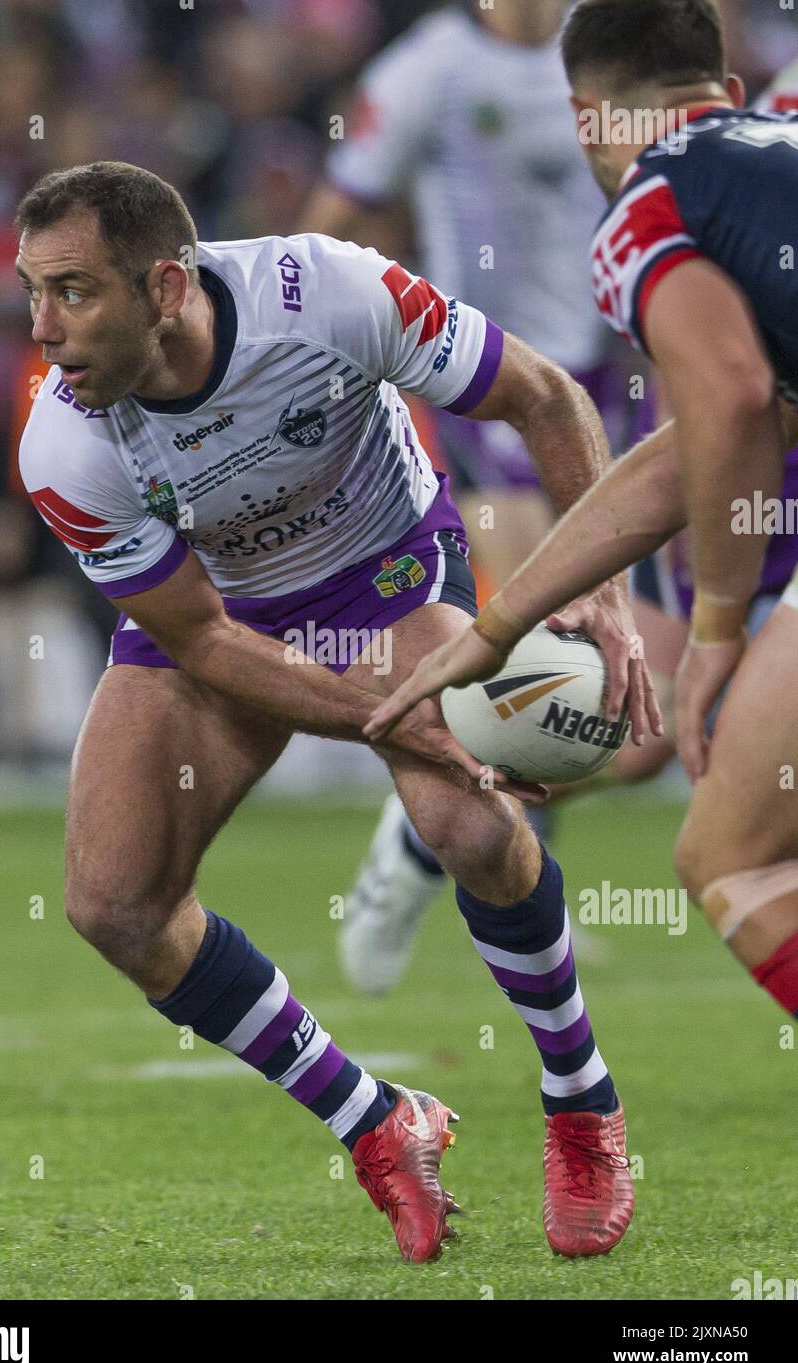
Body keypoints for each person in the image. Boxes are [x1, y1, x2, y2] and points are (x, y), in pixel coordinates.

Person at [16, 160, 645, 1263]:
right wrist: (385, 718)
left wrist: (599, 590)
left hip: (386, 573)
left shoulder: (330, 292)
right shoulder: (63, 444)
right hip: (222, 616)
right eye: (33, 292)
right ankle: (375, 1120)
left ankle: (579, 1097)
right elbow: (201, 637)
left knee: (470, 826)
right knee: (112, 903)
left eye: (72, 292)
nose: (42, 328)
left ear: (165, 288)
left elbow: (541, 396)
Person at [366, 0, 798, 1031]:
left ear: (583, 118)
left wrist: (713, 629)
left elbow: (726, 394)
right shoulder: (776, 152)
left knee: (727, 856)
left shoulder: (648, 204)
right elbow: (688, 447)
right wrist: (500, 627)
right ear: (725, 92)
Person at [302, 0, 647, 989]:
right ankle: (439, 854)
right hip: (492, 390)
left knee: (622, 735)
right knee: (571, 657)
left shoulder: (610, 49)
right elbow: (330, 221)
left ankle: (416, 847)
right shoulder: (427, 71)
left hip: (611, 392)